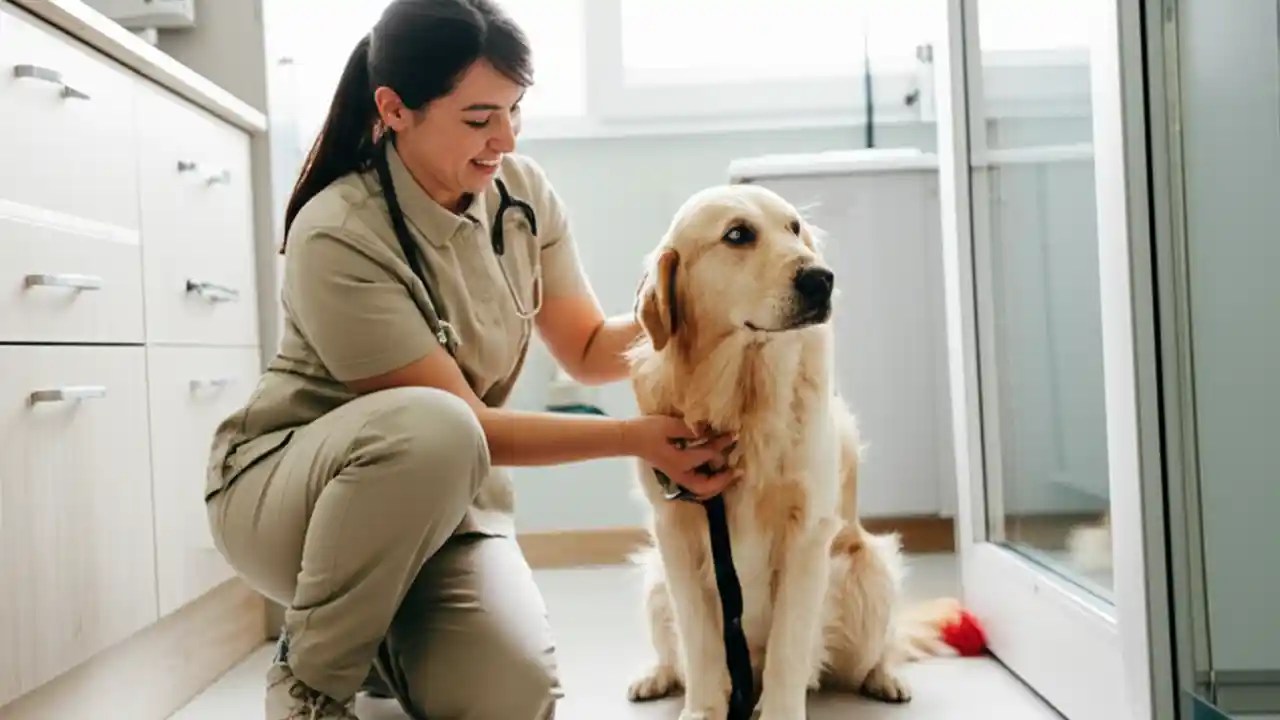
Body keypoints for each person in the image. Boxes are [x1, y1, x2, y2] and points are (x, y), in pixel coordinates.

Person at [203, 1, 737, 718]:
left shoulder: (521, 193)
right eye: (479, 118)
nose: (505, 138)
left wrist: (702, 311)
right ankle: (310, 685)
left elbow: (583, 348)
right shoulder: (337, 232)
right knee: (436, 427)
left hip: (447, 507)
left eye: (517, 109)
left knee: (509, 700)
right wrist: (636, 441)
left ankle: (383, 639)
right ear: (394, 110)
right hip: (291, 501)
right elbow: (468, 427)